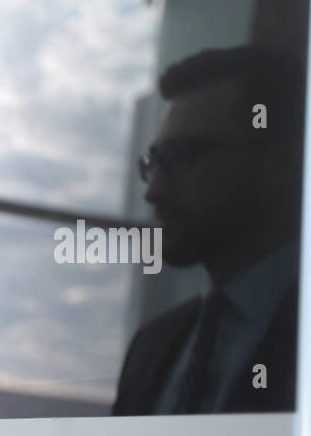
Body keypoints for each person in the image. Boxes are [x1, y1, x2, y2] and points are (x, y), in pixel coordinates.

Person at [113, 46, 303, 416]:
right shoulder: (151, 348)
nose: (154, 190)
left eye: (182, 157)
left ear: (280, 164)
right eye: (154, 163)